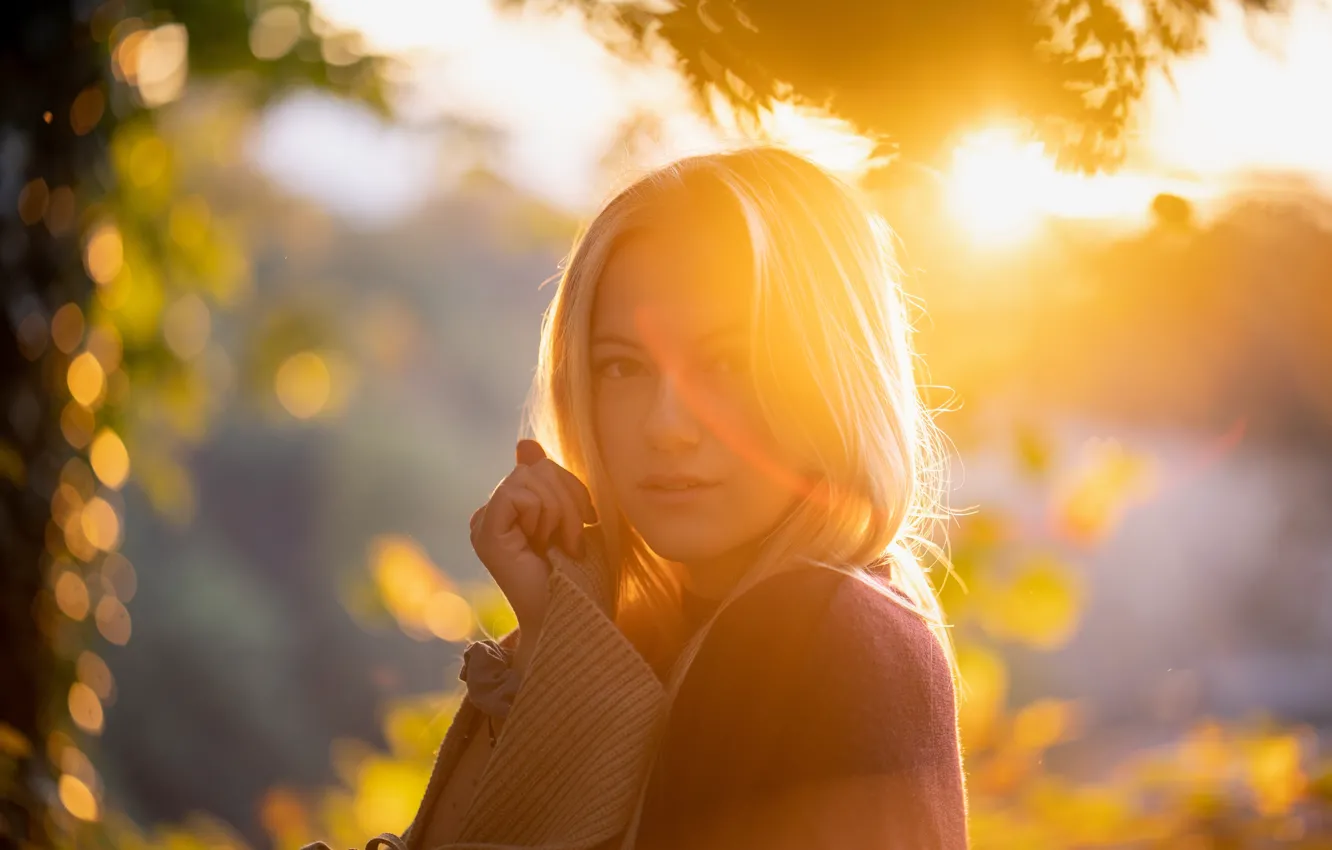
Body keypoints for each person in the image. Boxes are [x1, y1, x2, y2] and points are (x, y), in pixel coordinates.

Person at [387, 146, 967, 850]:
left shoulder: (815, 632)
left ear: (831, 377)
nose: (666, 425)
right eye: (623, 366)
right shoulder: (702, 634)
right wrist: (556, 635)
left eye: (727, 363)